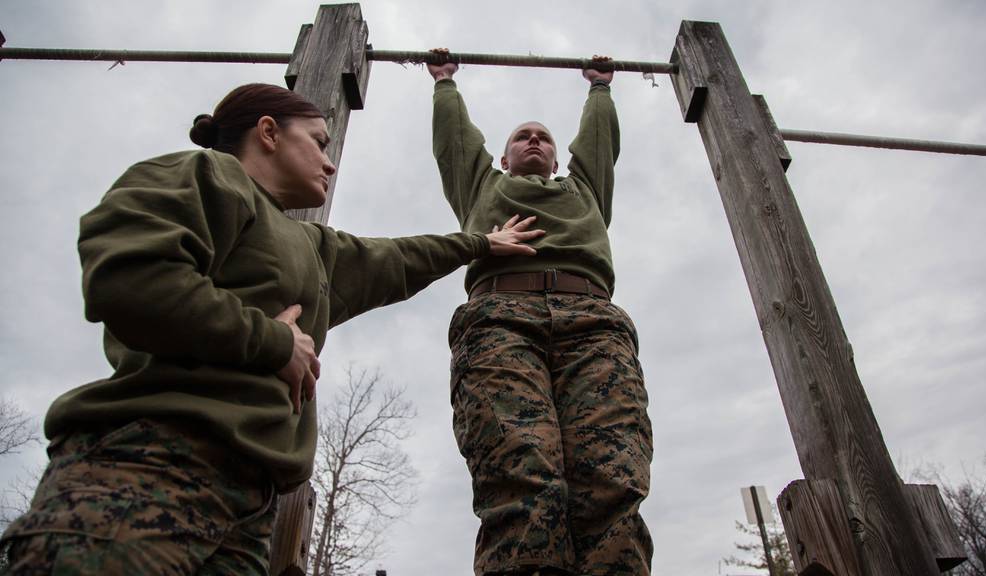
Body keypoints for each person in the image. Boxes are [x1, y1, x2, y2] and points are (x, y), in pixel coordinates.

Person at [0, 83, 544, 576]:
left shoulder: (311, 246)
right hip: (147, 469)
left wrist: (479, 243)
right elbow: (131, 279)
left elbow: (397, 256)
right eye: (318, 141)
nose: (329, 164)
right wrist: (273, 341)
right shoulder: (201, 174)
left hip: (249, 512)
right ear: (268, 132)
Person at [427, 51, 653, 576]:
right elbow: (455, 143)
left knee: (612, 478)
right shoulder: (485, 187)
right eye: (522, 136)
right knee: (521, 472)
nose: (533, 140)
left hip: (593, 323)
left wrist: (600, 88)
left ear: (556, 159)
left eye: (543, 138)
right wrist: (444, 83)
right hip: (500, 321)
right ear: (503, 159)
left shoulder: (585, 192)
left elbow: (599, 143)